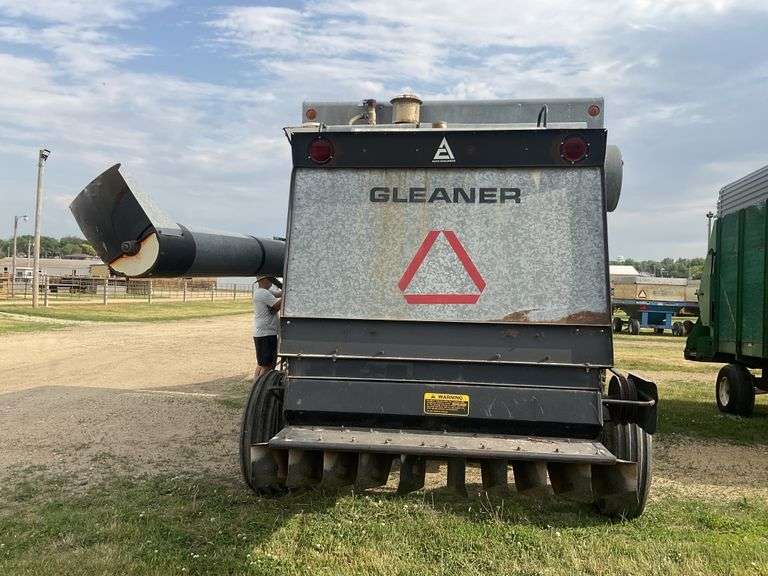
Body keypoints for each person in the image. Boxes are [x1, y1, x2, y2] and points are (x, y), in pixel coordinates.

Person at [253, 275, 282, 378]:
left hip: (262, 332)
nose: (271, 282)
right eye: (270, 280)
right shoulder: (263, 293)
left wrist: (286, 289)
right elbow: (277, 305)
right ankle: (261, 386)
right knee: (268, 365)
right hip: (267, 333)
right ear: (264, 280)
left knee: (262, 363)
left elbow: (279, 294)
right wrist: (289, 294)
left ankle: (256, 385)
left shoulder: (262, 292)